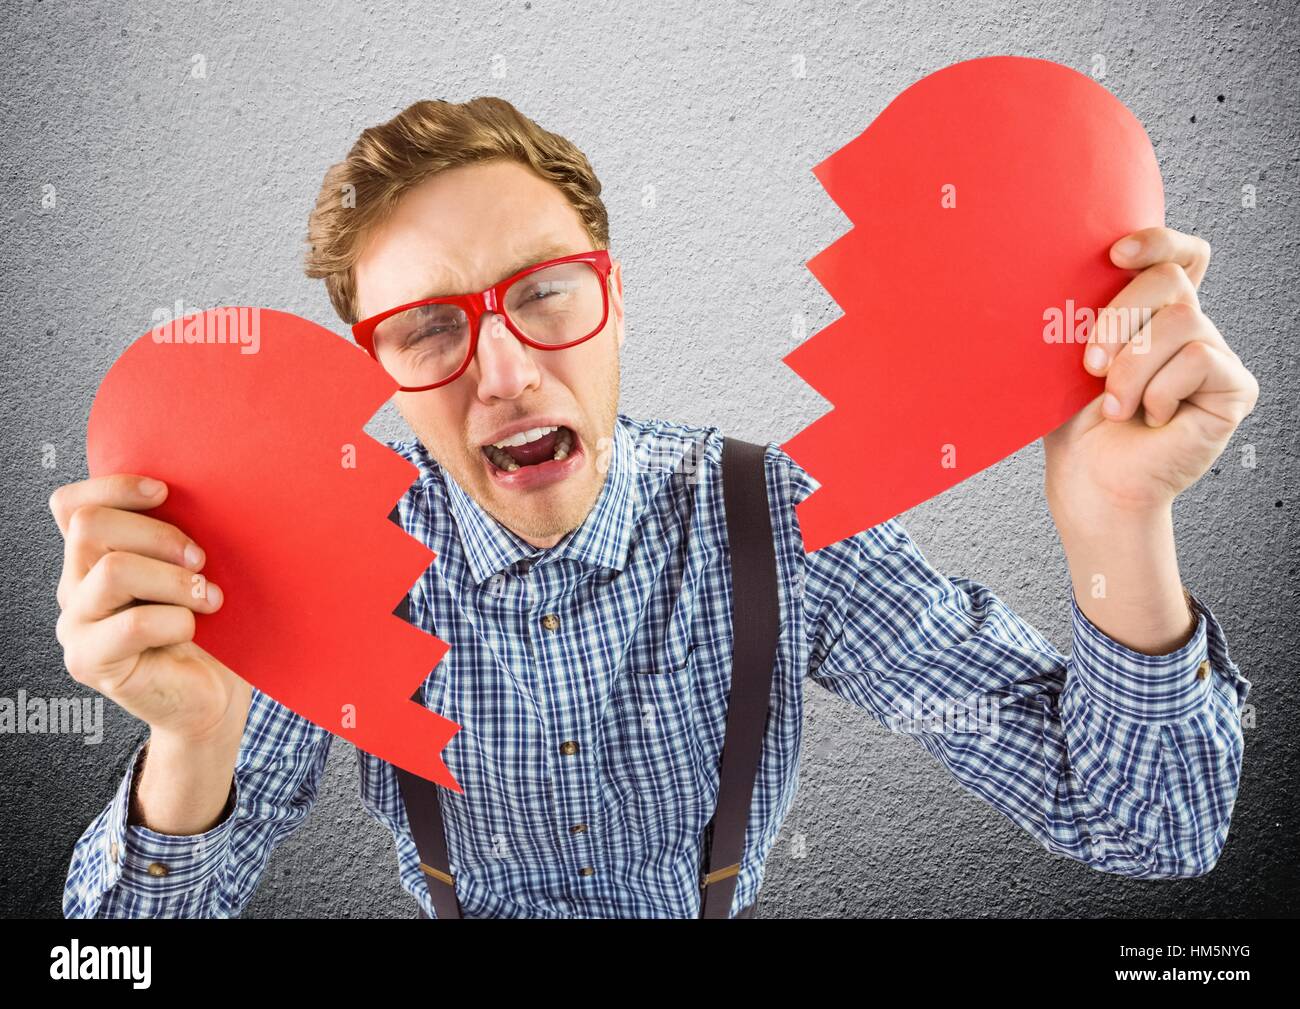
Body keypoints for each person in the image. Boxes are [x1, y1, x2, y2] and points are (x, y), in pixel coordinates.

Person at [56, 97, 1256, 919]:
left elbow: (1153, 832)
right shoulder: (326, 561)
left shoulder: (774, 524)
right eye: (428, 330)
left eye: (548, 293)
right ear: (381, 379)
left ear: (616, 304)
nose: (509, 370)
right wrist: (193, 739)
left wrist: (1117, 527)